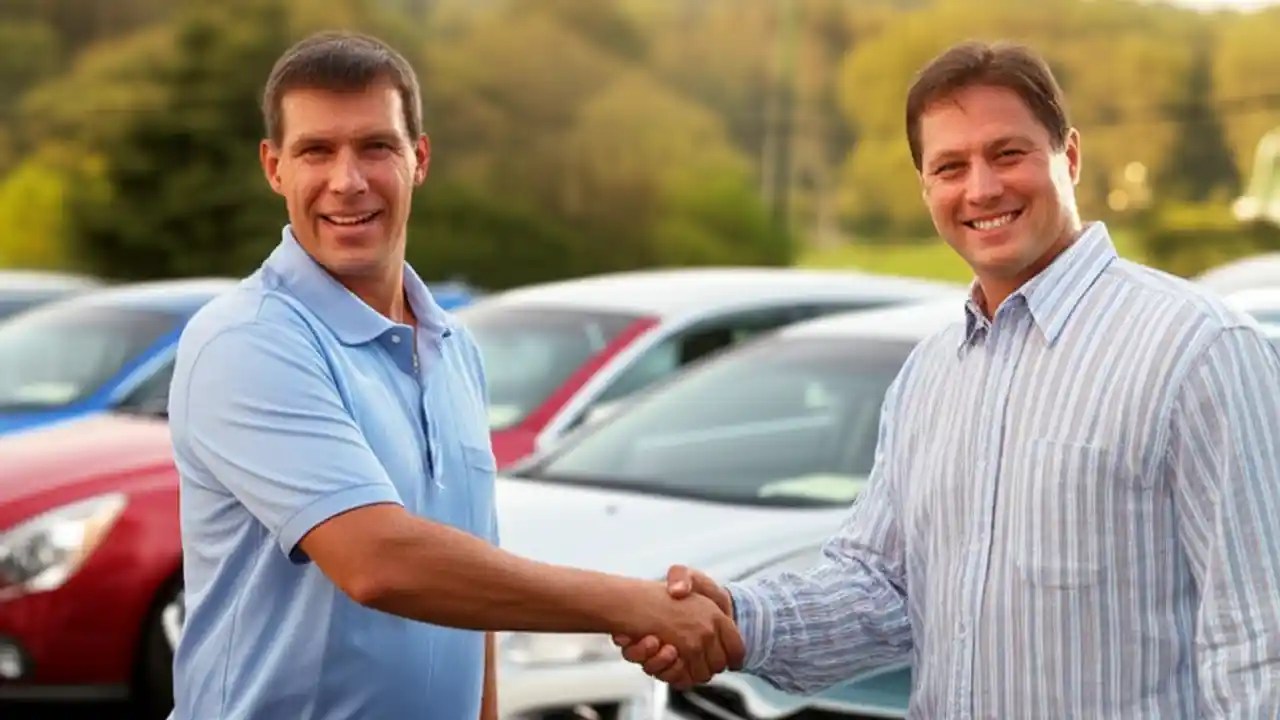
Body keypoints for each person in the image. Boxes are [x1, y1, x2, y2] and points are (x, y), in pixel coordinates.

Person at [617, 40, 1280, 718]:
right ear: (926, 187)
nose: (982, 188)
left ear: (1070, 157)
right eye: (951, 166)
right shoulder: (930, 374)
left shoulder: (1198, 349)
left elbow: (1261, 639)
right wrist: (735, 618)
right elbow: (882, 592)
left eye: (1008, 154)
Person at [165, 31, 742, 720]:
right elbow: (378, 563)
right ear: (274, 167)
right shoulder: (250, 339)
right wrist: (634, 604)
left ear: (420, 158)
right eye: (316, 150)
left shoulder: (453, 346)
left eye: (376, 147)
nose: (347, 181)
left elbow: (471, 584)